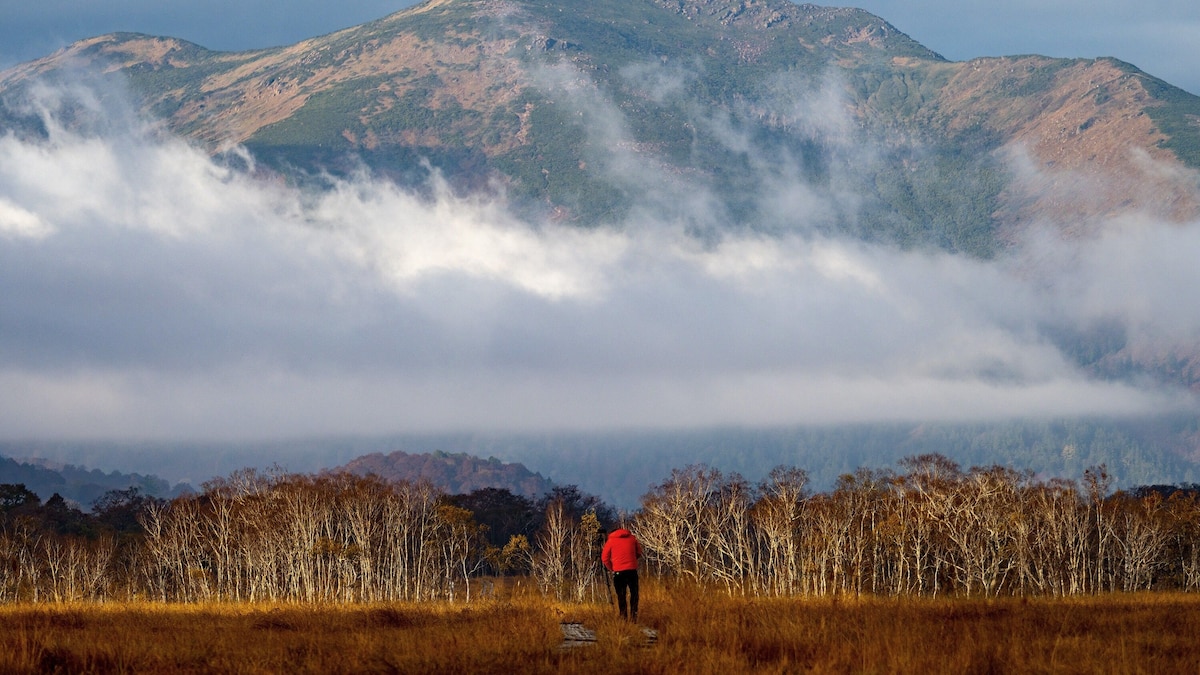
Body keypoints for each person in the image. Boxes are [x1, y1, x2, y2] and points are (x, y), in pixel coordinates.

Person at [601, 526, 643, 621]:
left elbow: (604, 558)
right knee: (634, 594)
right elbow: (639, 552)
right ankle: (634, 617)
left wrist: (612, 568)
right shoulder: (632, 538)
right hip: (632, 570)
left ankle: (623, 617)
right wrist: (632, 560)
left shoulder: (611, 541)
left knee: (621, 595)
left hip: (619, 572)